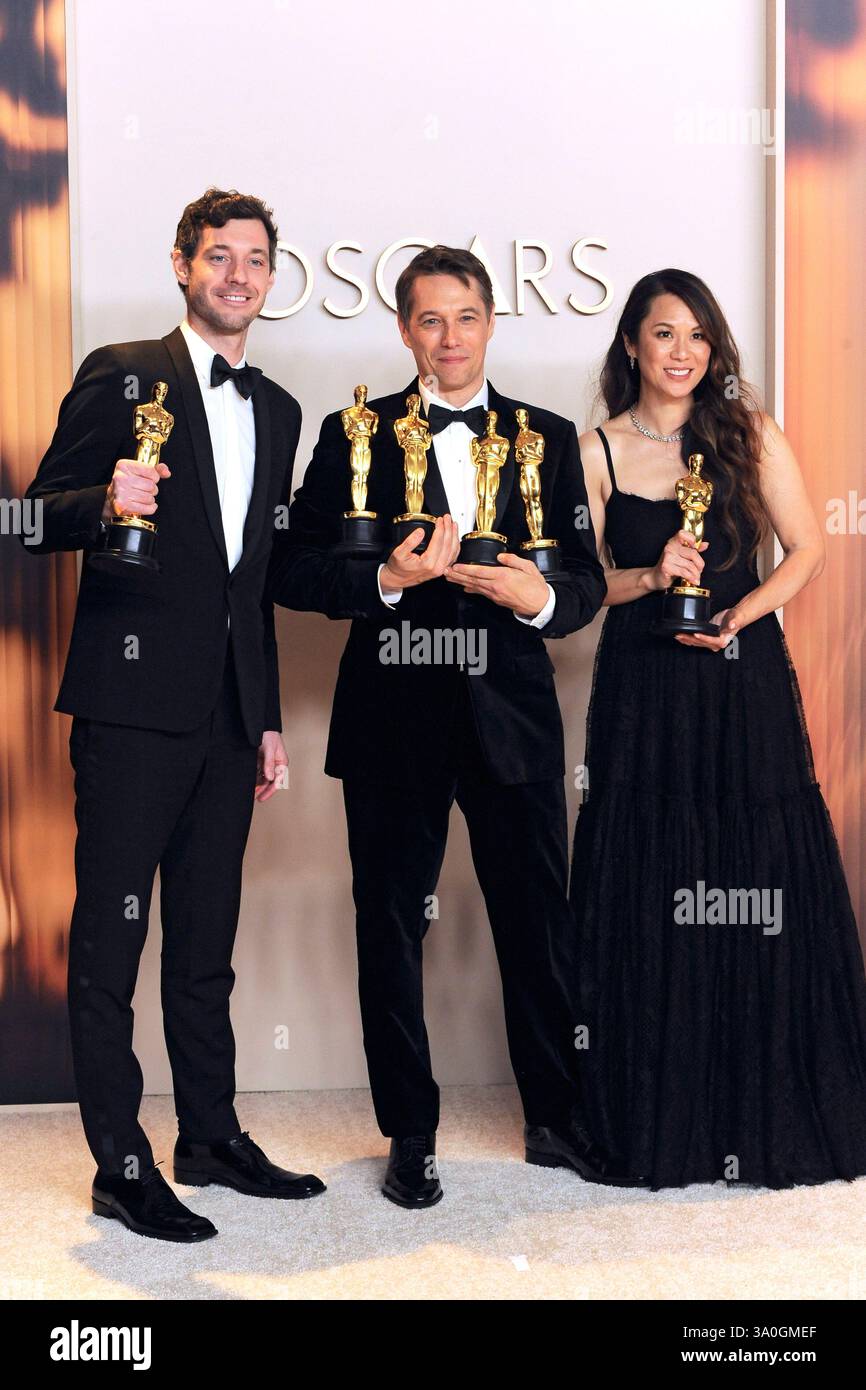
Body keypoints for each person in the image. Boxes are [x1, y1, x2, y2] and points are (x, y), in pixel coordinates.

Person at [267, 244, 621, 1209]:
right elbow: (293, 572)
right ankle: (409, 1132)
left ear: (491, 322)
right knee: (388, 924)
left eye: (465, 318)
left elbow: (586, 587)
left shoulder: (546, 435)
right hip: (393, 719)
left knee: (537, 922)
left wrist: (540, 598)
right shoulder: (355, 433)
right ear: (403, 329)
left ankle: (554, 1114)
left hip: (512, 720)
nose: (449, 338)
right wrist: (389, 580)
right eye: (429, 320)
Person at [22, 187, 325, 1241]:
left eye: (254, 259)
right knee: (114, 938)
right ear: (181, 264)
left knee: (206, 941)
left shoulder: (277, 409)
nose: (237, 274)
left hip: (229, 719)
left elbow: (251, 588)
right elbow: (24, 518)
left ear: (269, 278)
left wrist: (269, 717)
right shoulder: (122, 371)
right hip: (130, 707)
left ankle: (209, 1133)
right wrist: (103, 503)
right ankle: (119, 1160)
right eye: (218, 256)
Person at [570, 267, 866, 1188]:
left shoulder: (748, 433)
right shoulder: (597, 451)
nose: (683, 353)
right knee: (651, 871)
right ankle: (663, 1107)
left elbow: (809, 546)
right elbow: (583, 591)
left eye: (698, 336)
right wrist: (654, 578)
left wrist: (743, 615)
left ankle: (755, 1100)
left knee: (754, 871)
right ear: (632, 345)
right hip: (643, 689)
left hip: (742, 685)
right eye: (664, 335)